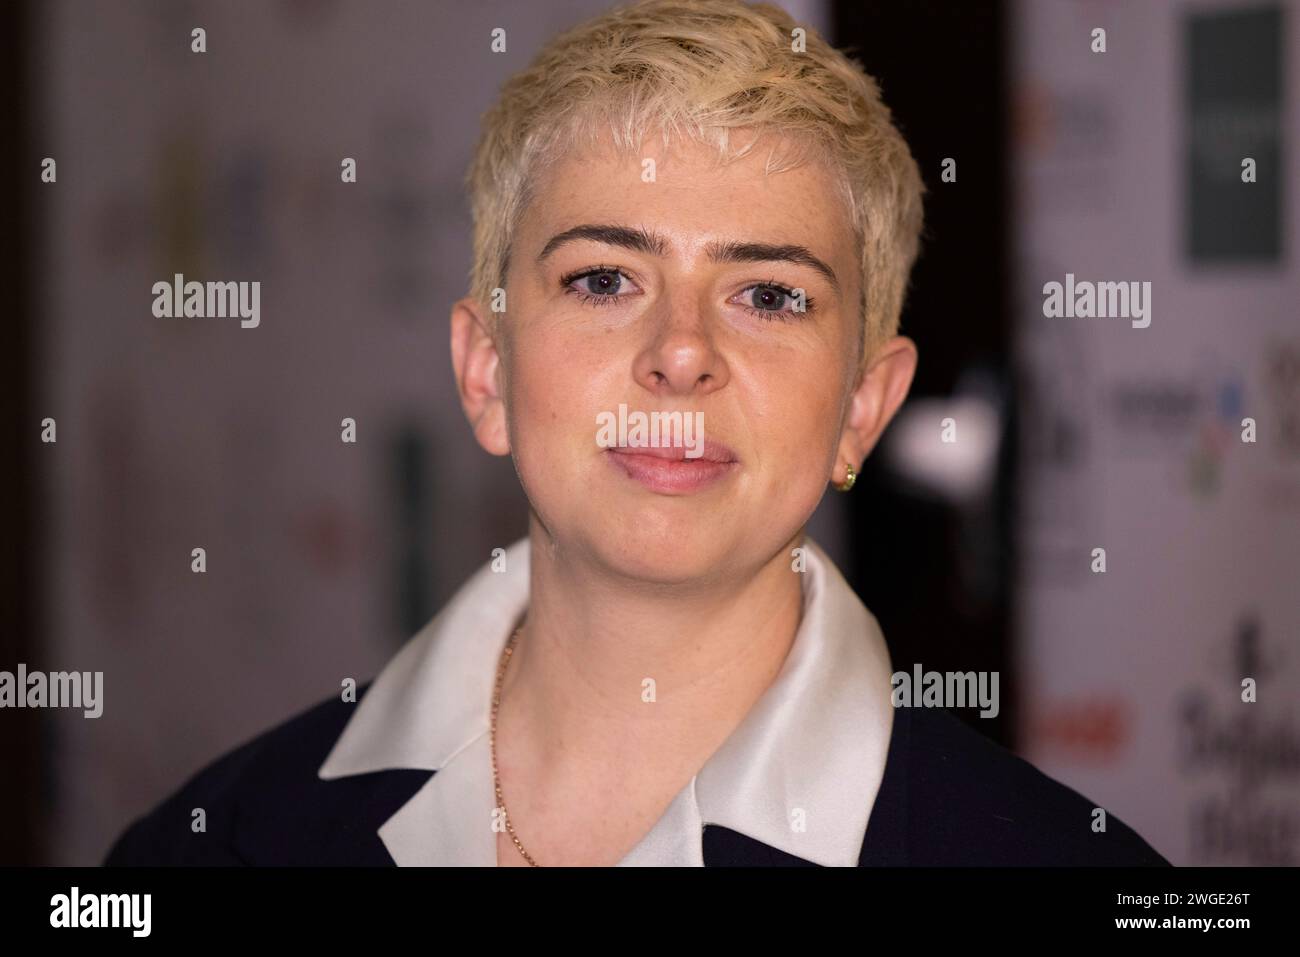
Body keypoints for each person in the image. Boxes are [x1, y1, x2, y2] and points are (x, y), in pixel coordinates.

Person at [105, 0, 1168, 867]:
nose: (680, 350)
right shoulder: (221, 846)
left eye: (769, 295)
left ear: (861, 408)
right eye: (604, 278)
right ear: (487, 373)